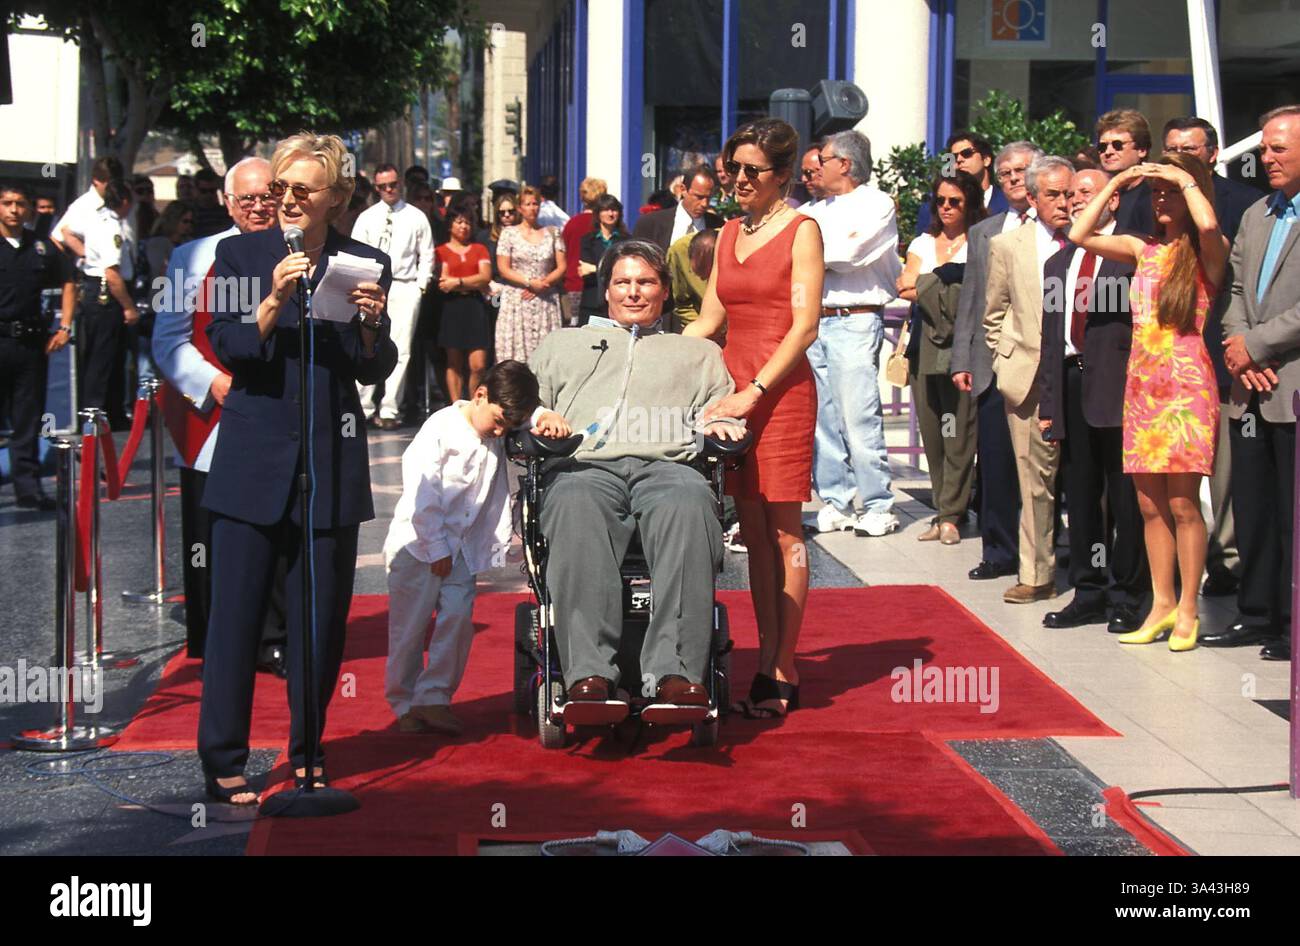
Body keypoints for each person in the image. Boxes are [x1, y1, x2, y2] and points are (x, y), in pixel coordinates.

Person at [196, 132, 398, 805]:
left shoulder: (365, 260)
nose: (286, 201)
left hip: (329, 460)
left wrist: (371, 327)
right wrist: (271, 303)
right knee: (235, 618)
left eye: (302, 191)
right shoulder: (241, 253)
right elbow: (227, 346)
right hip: (252, 459)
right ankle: (222, 758)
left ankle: (309, 752)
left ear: (335, 198)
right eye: (279, 189)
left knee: (319, 621)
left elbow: (370, 365)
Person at [529, 241, 745, 715]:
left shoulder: (697, 352)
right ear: (605, 291)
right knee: (574, 503)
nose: (633, 293)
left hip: (668, 467)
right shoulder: (561, 343)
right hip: (584, 466)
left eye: (645, 282)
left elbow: (720, 408)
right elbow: (525, 402)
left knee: (690, 502)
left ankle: (676, 674)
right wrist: (540, 415)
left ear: (664, 292)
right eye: (622, 282)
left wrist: (721, 422)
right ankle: (588, 674)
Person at [687, 118, 823, 719]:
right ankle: (766, 655)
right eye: (732, 168)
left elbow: (806, 325)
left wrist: (757, 390)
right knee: (751, 536)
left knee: (784, 531)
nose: (739, 179)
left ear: (783, 176)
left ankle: (783, 667)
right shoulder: (726, 235)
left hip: (780, 393)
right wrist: (645, 349)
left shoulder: (802, 231)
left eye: (752, 171)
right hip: (730, 391)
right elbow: (710, 318)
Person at [1069, 153, 1228, 652]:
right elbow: (1079, 234)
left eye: (1169, 193)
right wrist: (1118, 180)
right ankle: (1160, 603)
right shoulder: (1143, 248)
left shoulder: (1208, 250)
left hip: (1186, 389)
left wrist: (1183, 177)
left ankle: (1187, 609)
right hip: (1141, 386)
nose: (1160, 200)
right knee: (1147, 505)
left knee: (1183, 504)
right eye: (1155, 193)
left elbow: (1208, 222)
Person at [152, 156, 285, 665]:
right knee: (211, 533)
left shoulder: (297, 251)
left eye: (266, 197)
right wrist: (215, 383)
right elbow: (168, 340)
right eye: (246, 198)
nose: (257, 207)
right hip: (213, 414)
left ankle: (275, 637)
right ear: (226, 202)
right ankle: (214, 638)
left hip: (277, 411)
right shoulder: (190, 256)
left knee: (276, 528)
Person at [384, 361, 540, 734]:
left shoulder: (497, 423)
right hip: (418, 547)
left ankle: (434, 697)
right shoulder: (441, 427)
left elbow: (529, 415)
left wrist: (543, 415)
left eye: (508, 425)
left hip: (462, 551)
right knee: (409, 629)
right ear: (480, 395)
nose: (502, 431)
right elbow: (424, 489)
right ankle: (403, 702)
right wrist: (435, 545)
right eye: (500, 420)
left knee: (456, 618)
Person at [1037, 168, 1149, 632]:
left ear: (1113, 200)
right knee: (1081, 495)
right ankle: (1088, 589)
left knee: (1124, 498)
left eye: (1086, 192)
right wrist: (1049, 405)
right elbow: (1049, 339)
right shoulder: (1058, 265)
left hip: (1120, 387)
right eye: (1067, 194)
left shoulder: (1134, 255)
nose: (1074, 200)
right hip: (1070, 382)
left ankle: (1129, 595)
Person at [1163, 116, 1267, 599]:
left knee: (1225, 473)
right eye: (1172, 148)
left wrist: (1243, 343)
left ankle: (1228, 564)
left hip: (1225, 356)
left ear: (1213, 151)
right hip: (1163, 364)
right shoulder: (1152, 202)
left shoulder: (1243, 204)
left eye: (1190, 148)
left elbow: (1241, 283)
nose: (1181, 155)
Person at [1211, 104, 1300, 662]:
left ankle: (1292, 622)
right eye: (1263, 148)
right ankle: (1257, 610)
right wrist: (1239, 347)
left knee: (1293, 511)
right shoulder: (1257, 214)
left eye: (1278, 149)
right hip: (1251, 383)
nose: (1265, 158)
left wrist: (1256, 345)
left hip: (1290, 382)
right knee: (1254, 505)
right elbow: (1236, 289)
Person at [983, 155, 1076, 605]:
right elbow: (993, 312)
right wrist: (1006, 363)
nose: (1064, 203)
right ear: (1033, 198)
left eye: (1069, 194)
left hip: (1085, 376)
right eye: (1054, 195)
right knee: (1033, 479)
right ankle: (1036, 573)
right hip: (1028, 379)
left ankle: (1098, 570)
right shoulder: (1008, 245)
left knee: (1089, 478)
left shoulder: (1089, 239)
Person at [802, 129, 903, 538]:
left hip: (856, 318)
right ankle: (836, 500)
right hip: (816, 318)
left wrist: (812, 257)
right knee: (822, 418)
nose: (815, 169)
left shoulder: (877, 203)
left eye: (822, 160)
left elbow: (848, 255)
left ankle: (878, 503)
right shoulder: (815, 210)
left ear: (844, 164)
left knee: (858, 415)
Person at [951, 141, 1042, 583]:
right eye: (1004, 173)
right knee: (996, 460)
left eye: (1020, 171)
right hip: (993, 362)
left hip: (1045, 360)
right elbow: (971, 298)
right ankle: (999, 551)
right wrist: (961, 358)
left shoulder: (1058, 226)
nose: (1011, 179)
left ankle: (1045, 550)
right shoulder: (984, 231)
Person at [897, 170, 984, 544]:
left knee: (960, 430)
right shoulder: (923, 241)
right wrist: (948, 283)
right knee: (934, 430)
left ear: (970, 204)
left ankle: (953, 513)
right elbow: (903, 286)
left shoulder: (980, 240)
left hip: (965, 344)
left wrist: (931, 284)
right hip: (925, 343)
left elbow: (979, 290)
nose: (946, 208)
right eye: (941, 201)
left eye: (955, 202)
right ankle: (942, 507)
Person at [0, 181, 76, 511]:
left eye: (19, 204)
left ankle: (28, 490)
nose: (14, 210)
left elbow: (69, 281)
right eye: (6, 203)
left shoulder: (41, 247)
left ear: (30, 209)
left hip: (31, 343)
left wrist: (65, 327)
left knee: (27, 420)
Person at [350, 163, 434, 429]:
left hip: (404, 285)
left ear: (400, 184)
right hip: (372, 286)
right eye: (383, 186)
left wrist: (420, 285)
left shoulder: (416, 216)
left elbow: (427, 253)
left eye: (393, 185)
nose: (389, 190)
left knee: (402, 350)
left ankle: (389, 408)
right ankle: (362, 406)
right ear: (376, 188)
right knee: (366, 342)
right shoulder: (367, 217)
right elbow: (355, 251)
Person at [78, 179, 138, 413]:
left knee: (114, 355)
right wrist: (128, 306)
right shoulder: (111, 227)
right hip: (107, 294)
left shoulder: (100, 221)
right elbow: (112, 273)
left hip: (104, 290)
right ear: (124, 201)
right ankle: (95, 411)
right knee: (102, 356)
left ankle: (112, 411)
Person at [495, 184, 565, 362]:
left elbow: (561, 266)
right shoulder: (509, 234)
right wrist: (528, 282)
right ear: (520, 208)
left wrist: (542, 284)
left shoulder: (552, 233)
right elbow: (503, 268)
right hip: (517, 299)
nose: (532, 208)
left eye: (535, 204)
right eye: (527, 204)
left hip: (545, 298)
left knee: (546, 356)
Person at [436, 197, 493, 401]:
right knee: (454, 362)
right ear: (450, 224)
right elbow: (443, 282)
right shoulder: (440, 252)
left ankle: (474, 403)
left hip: (475, 306)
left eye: (468, 222)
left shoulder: (480, 249)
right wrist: (469, 280)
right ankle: (455, 406)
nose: (464, 226)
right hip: (451, 308)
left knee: (478, 364)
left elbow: (484, 277)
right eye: (459, 221)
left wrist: (458, 282)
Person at [914, 131, 1007, 235]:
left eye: (967, 153)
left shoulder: (1008, 204)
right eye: (953, 157)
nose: (959, 159)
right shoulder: (932, 209)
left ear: (986, 160)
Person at [49, 155, 124, 260]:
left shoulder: (124, 201)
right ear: (96, 181)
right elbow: (57, 237)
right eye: (109, 183)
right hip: (96, 273)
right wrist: (88, 258)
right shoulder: (83, 206)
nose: (114, 187)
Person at [633, 165, 722, 251]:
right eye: (699, 197)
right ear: (683, 189)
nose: (704, 204)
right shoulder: (650, 224)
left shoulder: (718, 227)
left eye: (709, 198)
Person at [1097, 109, 1156, 236]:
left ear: (1142, 149)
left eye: (1117, 145)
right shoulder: (1099, 193)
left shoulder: (1153, 195)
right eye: (1102, 147)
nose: (1108, 152)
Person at [561, 177, 607, 326]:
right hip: (598, 287)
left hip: (572, 284)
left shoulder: (572, 223)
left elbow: (564, 252)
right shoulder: (605, 225)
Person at [577, 193, 629, 324]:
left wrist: (595, 269)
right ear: (598, 214)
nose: (610, 214)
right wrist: (612, 271)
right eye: (606, 210)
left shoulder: (627, 240)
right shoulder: (587, 240)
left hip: (618, 302)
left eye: (614, 210)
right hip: (592, 301)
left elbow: (625, 271)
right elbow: (586, 274)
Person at [666, 227, 718, 332]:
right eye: (697, 273)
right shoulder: (680, 251)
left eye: (709, 274)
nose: (704, 279)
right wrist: (702, 327)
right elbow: (682, 303)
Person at [143, 201, 194, 278]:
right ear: (174, 219)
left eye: (190, 222)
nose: (188, 225)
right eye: (185, 221)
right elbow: (162, 270)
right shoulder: (157, 243)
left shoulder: (189, 241)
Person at [190, 168, 233, 238]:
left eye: (212, 191)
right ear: (195, 190)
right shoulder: (188, 214)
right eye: (203, 191)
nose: (208, 195)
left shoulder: (226, 214)